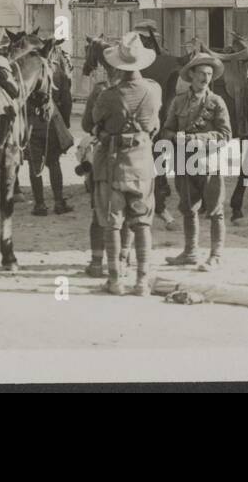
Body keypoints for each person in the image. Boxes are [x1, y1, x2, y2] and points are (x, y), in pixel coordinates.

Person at [87, 31, 161, 296]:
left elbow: (94, 122)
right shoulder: (154, 91)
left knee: (112, 223)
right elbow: (154, 126)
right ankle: (142, 281)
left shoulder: (108, 96)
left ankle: (115, 280)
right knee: (142, 223)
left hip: (113, 165)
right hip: (142, 165)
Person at [162, 50, 232, 269]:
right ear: (191, 75)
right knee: (188, 209)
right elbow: (166, 130)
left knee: (215, 211)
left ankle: (216, 255)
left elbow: (225, 134)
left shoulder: (217, 102)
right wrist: (175, 137)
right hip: (184, 163)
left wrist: (195, 138)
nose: (205, 78)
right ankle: (191, 252)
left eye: (209, 74)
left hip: (209, 164)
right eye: (201, 73)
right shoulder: (178, 101)